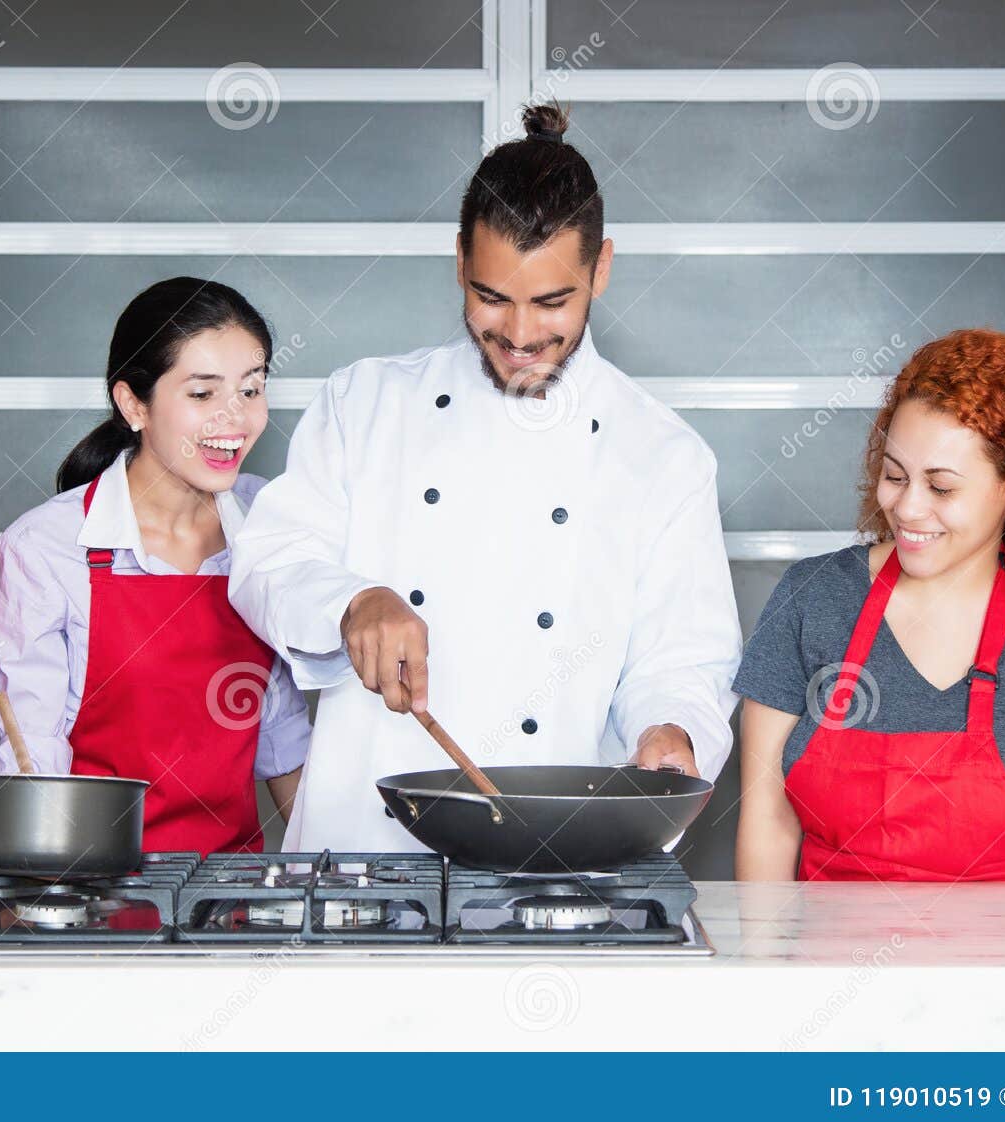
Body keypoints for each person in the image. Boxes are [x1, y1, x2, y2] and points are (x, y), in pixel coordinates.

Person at [228, 104, 742, 854]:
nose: (521, 335)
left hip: (554, 851)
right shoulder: (365, 403)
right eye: (492, 298)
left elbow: (682, 656)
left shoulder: (664, 455)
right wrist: (351, 602)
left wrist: (672, 730)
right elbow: (268, 564)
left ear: (601, 269)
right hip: (367, 846)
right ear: (459, 263)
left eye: (552, 302)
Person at [734, 328, 1005, 882]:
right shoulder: (812, 598)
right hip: (830, 939)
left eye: (941, 488)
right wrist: (763, 940)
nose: (907, 507)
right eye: (895, 475)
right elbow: (768, 821)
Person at [0, 278, 309, 854]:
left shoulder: (265, 524)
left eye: (251, 389)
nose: (234, 418)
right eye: (202, 394)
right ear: (133, 404)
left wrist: (346, 876)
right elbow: (33, 757)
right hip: (91, 884)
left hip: (231, 892)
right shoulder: (47, 546)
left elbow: (282, 741)